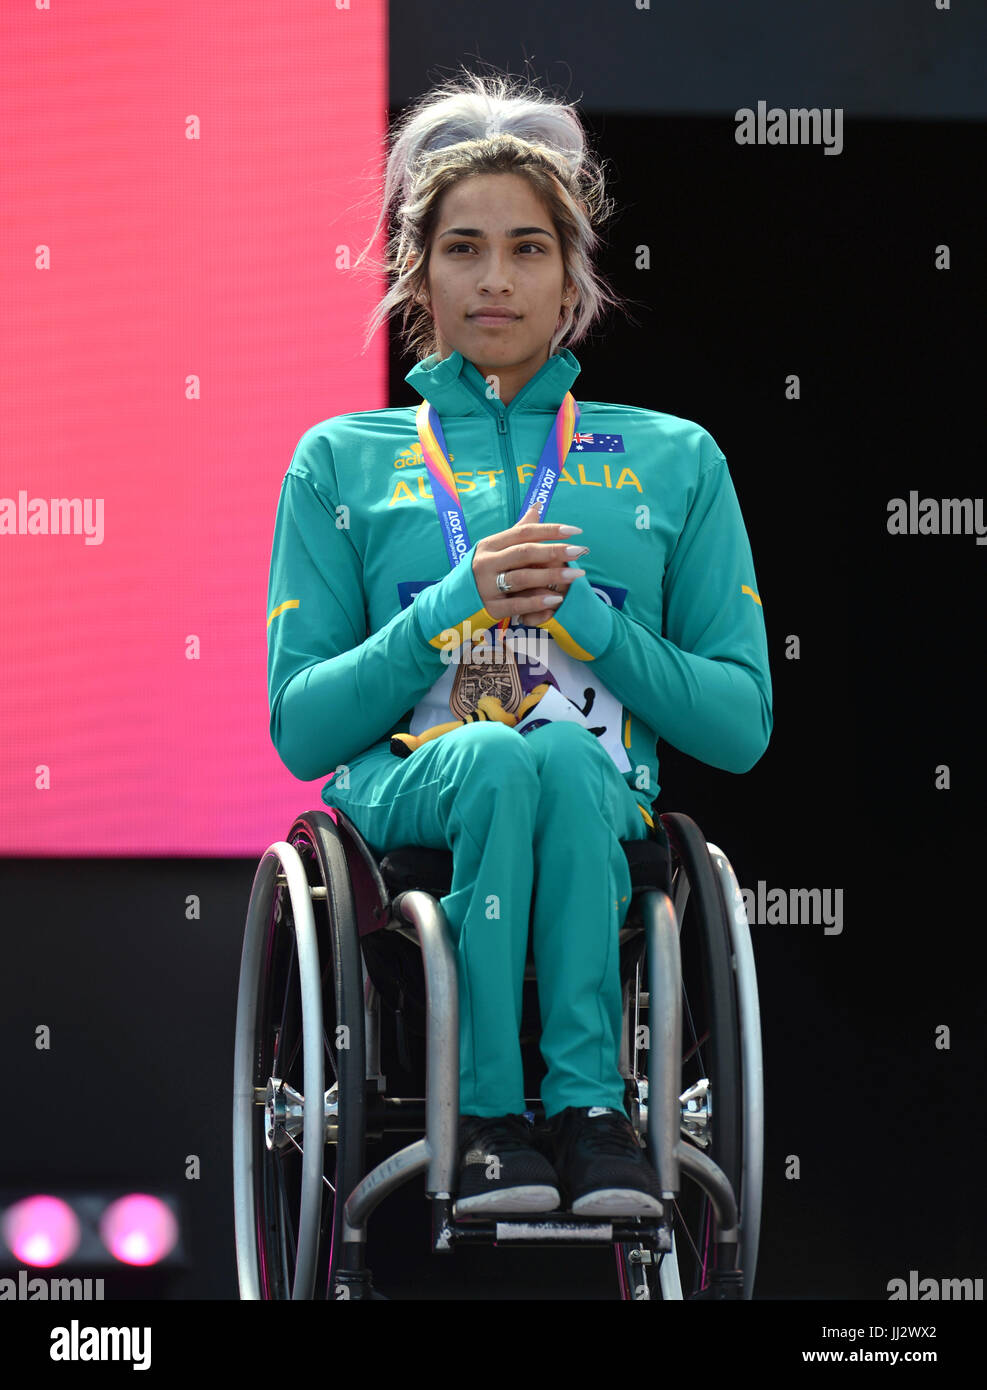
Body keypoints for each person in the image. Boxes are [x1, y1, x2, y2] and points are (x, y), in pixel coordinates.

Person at [266, 69, 772, 1218]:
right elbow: (303, 727)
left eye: (530, 248)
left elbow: (739, 727)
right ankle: (496, 1115)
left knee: (554, 761)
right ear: (416, 273)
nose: (496, 279)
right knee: (501, 757)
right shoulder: (338, 459)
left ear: (574, 278)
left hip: (602, 801)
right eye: (463, 248)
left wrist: (585, 620)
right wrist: (450, 604)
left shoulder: (674, 459)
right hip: (411, 792)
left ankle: (589, 1114)